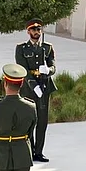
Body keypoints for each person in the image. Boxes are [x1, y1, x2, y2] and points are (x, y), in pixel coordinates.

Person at [17, 20, 57, 162]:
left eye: (39, 30)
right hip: (29, 89)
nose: (36, 32)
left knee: (42, 121)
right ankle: (30, 150)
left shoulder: (47, 48)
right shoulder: (21, 48)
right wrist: (34, 85)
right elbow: (23, 69)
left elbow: (53, 66)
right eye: (33, 30)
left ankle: (39, 152)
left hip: (45, 87)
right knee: (29, 120)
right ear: (28, 31)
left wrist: (48, 70)